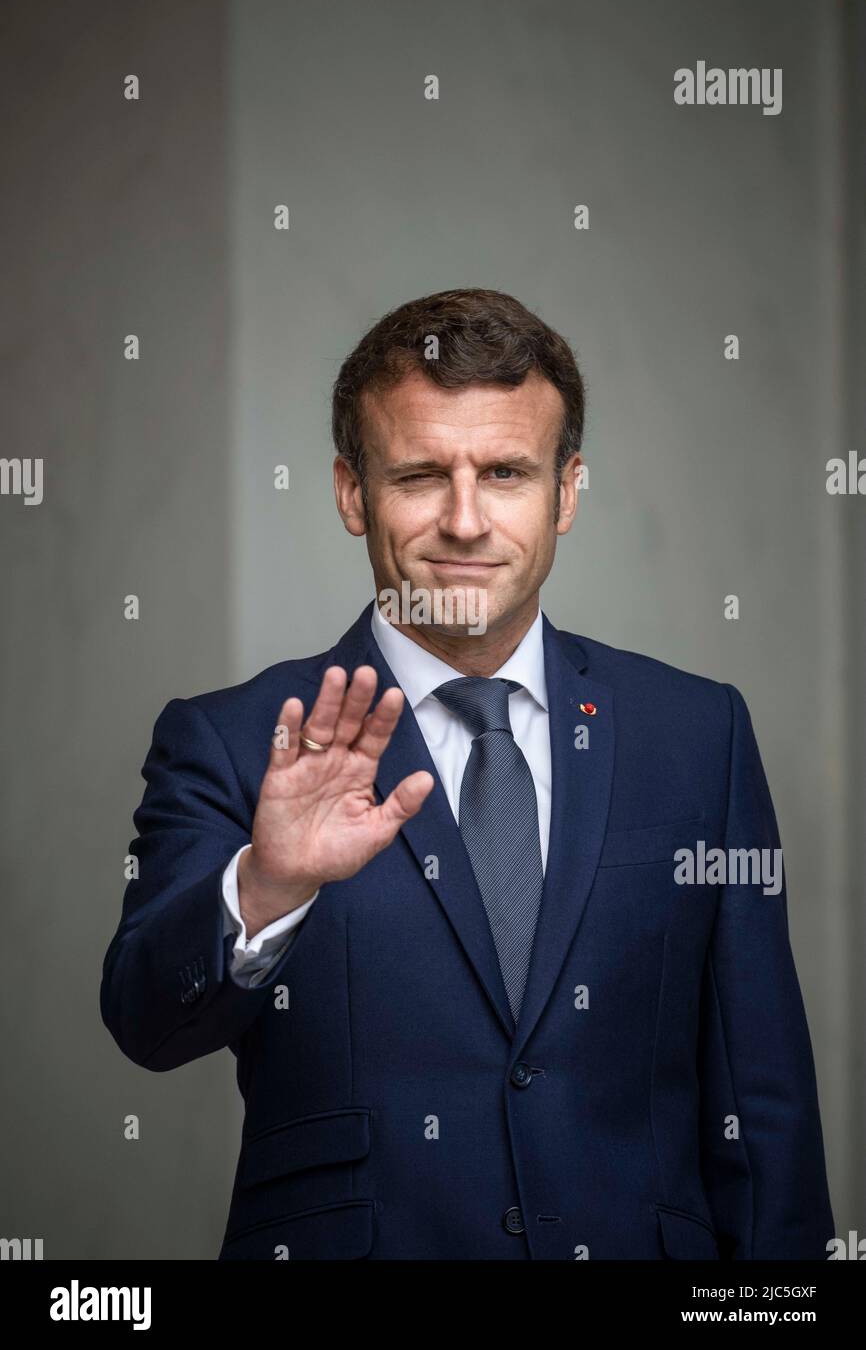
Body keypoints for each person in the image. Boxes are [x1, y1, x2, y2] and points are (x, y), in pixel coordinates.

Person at [100, 287, 834, 1260]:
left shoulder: (698, 735)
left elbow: (762, 1102)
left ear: (565, 491)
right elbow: (145, 1019)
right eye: (417, 475)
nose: (462, 518)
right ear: (352, 490)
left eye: (503, 472)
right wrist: (268, 884)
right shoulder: (234, 739)